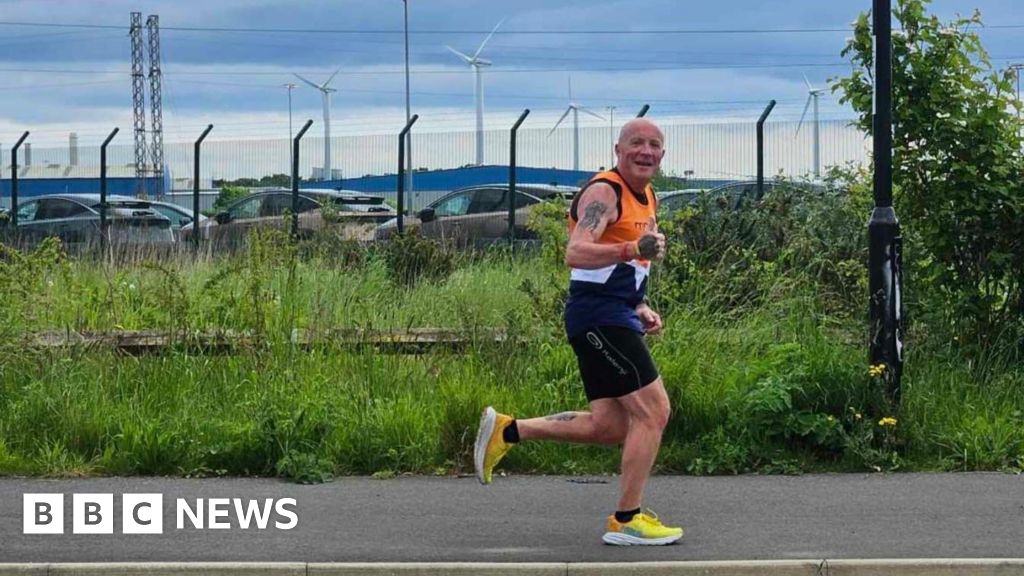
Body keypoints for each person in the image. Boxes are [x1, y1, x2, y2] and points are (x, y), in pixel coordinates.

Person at [474, 118, 682, 546]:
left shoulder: (648, 196)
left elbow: (626, 269)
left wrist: (640, 306)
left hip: (616, 314)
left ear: (662, 155)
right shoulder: (606, 192)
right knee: (654, 411)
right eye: (636, 143)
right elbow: (576, 253)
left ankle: (509, 430)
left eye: (654, 145)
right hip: (598, 318)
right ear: (618, 149)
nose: (646, 151)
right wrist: (631, 249)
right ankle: (627, 519)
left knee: (610, 426)